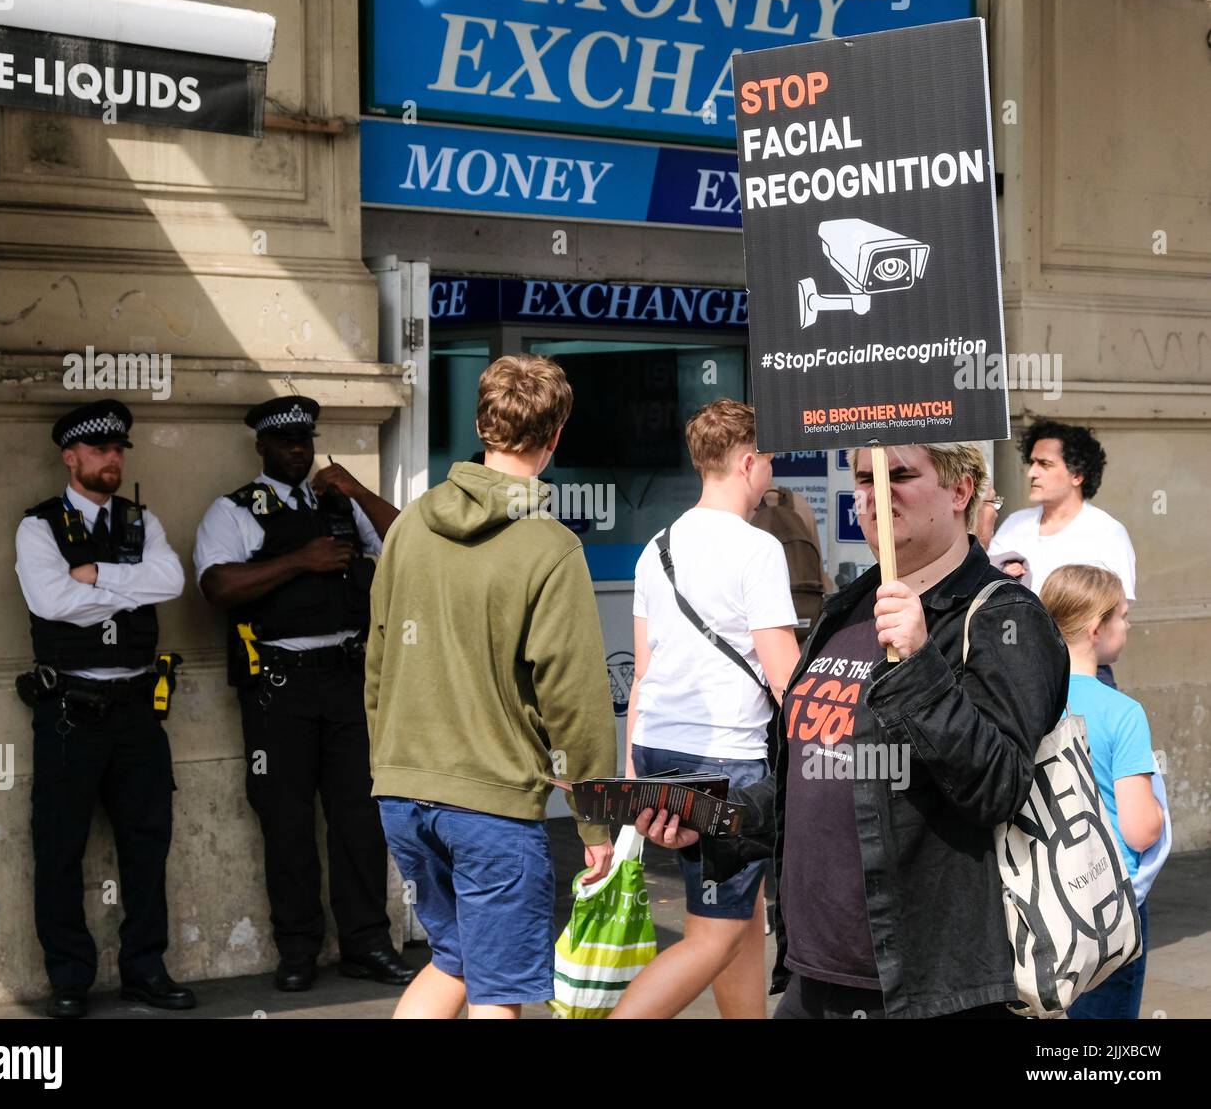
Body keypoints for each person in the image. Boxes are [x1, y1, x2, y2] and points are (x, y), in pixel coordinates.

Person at [640, 443, 1070, 1018]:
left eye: (901, 475)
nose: (876, 495)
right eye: (865, 479)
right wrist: (714, 820)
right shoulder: (848, 609)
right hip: (814, 976)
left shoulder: (1002, 616)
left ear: (961, 490)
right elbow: (814, 773)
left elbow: (998, 785)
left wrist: (920, 662)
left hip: (921, 989)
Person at [365, 354, 616, 1020]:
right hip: (492, 806)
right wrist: (596, 820)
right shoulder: (550, 546)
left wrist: (387, 763)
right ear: (555, 434)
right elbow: (576, 698)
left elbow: (378, 663)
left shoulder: (409, 524)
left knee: (454, 962)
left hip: (404, 792)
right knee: (498, 990)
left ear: (482, 423)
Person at [194, 396, 412, 992]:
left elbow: (411, 543)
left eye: (305, 441)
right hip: (279, 686)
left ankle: (367, 943)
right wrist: (301, 560)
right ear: (261, 446)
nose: (298, 451)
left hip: (345, 678)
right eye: (286, 442)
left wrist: (357, 490)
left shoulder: (338, 504)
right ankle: (297, 950)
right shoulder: (235, 509)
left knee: (359, 817)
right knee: (286, 822)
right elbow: (216, 584)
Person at [610, 399, 800, 1020]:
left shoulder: (654, 549)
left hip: (660, 749)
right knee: (712, 936)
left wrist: (634, 773)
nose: (771, 472)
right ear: (748, 463)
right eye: (768, 460)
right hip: (726, 758)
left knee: (740, 921)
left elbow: (642, 673)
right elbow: (784, 678)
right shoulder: (758, 550)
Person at [15, 400, 192, 1018]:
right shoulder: (38, 527)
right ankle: (69, 978)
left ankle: (145, 969)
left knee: (148, 843)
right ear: (71, 458)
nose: (112, 459)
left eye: (119, 450)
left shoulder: (143, 522)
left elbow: (169, 582)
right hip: (70, 707)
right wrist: (122, 589)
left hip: (138, 707)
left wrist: (95, 577)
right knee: (59, 847)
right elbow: (51, 601)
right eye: (99, 451)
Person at [1039, 564, 1164, 1019]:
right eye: (1123, 616)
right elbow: (1138, 830)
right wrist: (1159, 814)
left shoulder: (1025, 700)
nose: (1127, 626)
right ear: (1096, 627)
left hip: (1039, 898)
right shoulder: (1124, 712)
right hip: (1107, 905)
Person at [986, 420, 1135, 688]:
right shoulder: (1014, 525)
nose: (1032, 473)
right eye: (1031, 463)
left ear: (1077, 475)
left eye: (1045, 464)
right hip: (1015, 665)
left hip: (1080, 672)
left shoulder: (1106, 532)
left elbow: (1117, 612)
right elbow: (985, 588)